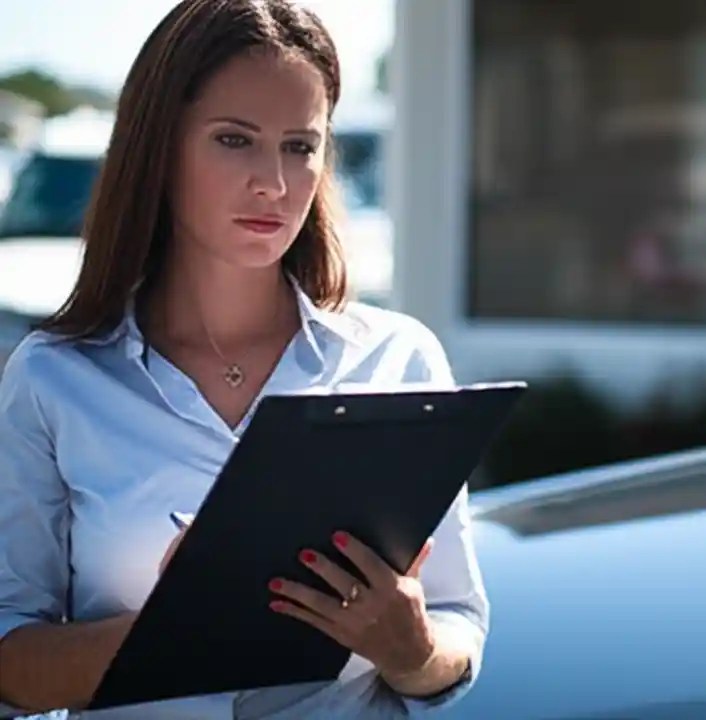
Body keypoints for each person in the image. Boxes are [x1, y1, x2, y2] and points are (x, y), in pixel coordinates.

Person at [0, 1, 487, 717]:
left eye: (300, 146)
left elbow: (457, 626)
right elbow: (10, 662)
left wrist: (411, 649)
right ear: (158, 148)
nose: (276, 184)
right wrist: (168, 636)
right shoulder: (53, 379)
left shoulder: (397, 359)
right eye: (235, 140)